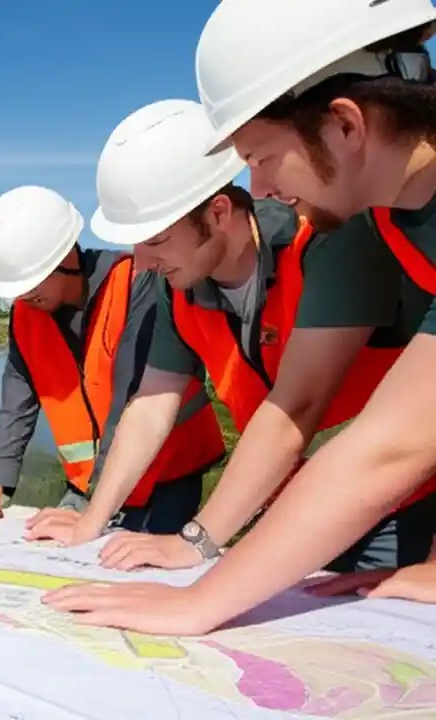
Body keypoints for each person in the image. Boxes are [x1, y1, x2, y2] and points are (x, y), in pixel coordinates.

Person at [43, 0, 436, 633]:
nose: (254, 186)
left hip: (386, 505)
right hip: (319, 510)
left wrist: (201, 596)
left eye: (261, 155)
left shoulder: (340, 236)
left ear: (345, 125)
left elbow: (390, 440)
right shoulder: (390, 217)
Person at [0, 185, 224, 531]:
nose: (22, 296)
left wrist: (96, 509)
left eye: (30, 283)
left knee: (138, 569)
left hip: (167, 473)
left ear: (66, 258)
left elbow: (131, 402)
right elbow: (15, 406)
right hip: (87, 484)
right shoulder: (26, 315)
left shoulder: (136, 283)